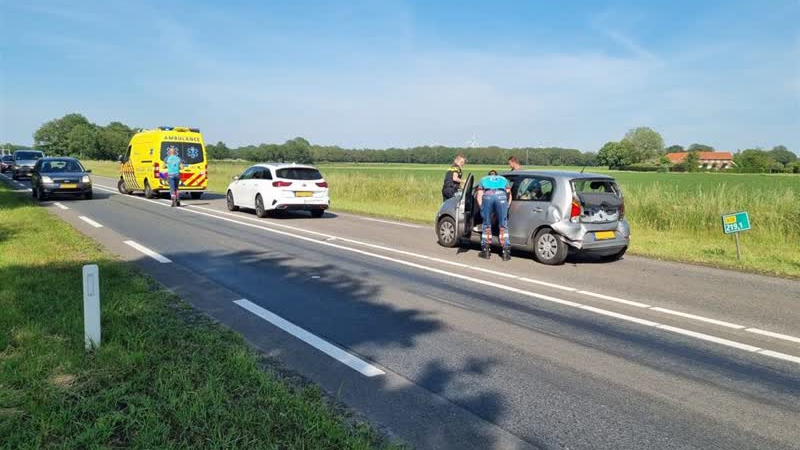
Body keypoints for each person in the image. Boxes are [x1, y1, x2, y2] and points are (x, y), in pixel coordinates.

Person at [476, 169, 512, 261]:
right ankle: (506, 252)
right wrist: (507, 206)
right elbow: (509, 194)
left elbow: (479, 195)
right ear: (496, 175)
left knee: (487, 223)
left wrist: (482, 208)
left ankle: (486, 251)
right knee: (503, 224)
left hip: (488, 195)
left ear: (489, 175)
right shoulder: (503, 179)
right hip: (501, 195)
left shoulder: (484, 179)